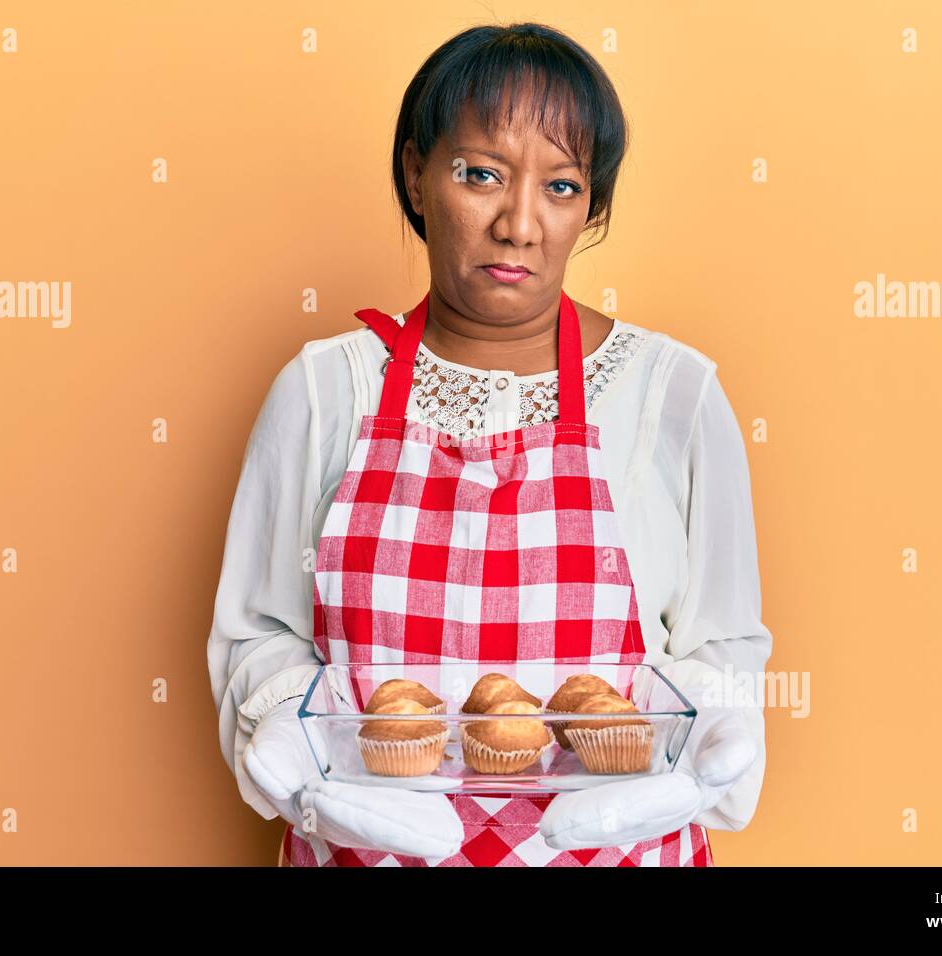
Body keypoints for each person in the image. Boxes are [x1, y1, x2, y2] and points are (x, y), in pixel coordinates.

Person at [207, 22, 772, 867]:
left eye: (563, 186)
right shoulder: (326, 391)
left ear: (594, 206)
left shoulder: (673, 394)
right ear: (415, 174)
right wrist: (287, 735)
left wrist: (713, 732)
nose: (519, 224)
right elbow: (256, 636)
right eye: (480, 174)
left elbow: (719, 645)